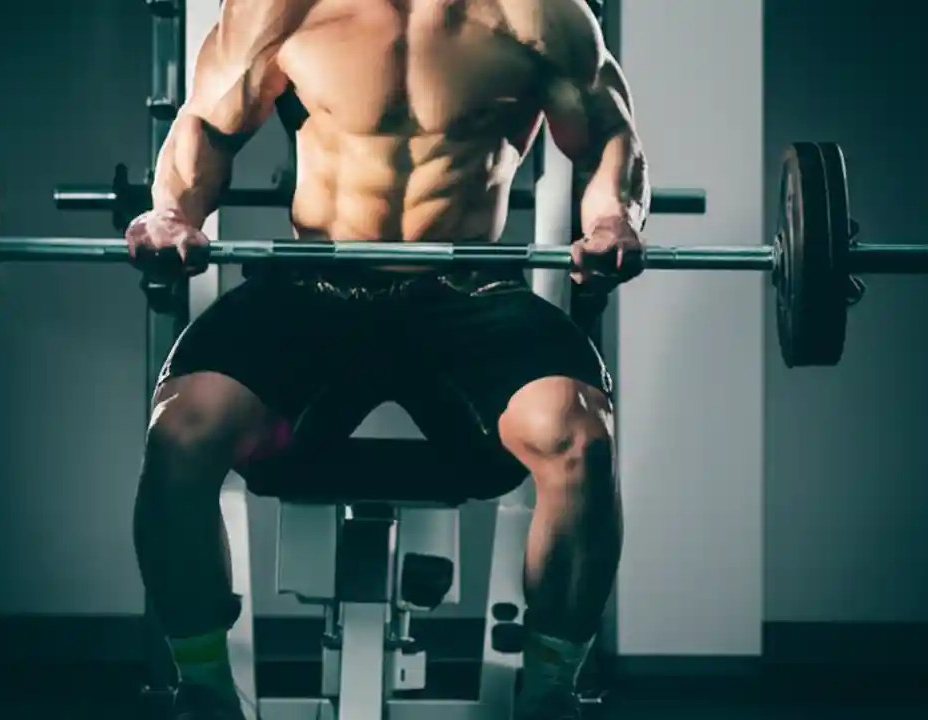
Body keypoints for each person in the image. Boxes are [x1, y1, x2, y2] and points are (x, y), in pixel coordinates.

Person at [126, 0, 649, 717]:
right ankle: (206, 689)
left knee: (580, 437)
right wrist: (172, 215)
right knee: (180, 431)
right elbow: (206, 127)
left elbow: (608, 134)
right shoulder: (279, 7)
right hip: (316, 287)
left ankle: (551, 690)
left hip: (465, 292)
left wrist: (612, 219)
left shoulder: (536, 11)